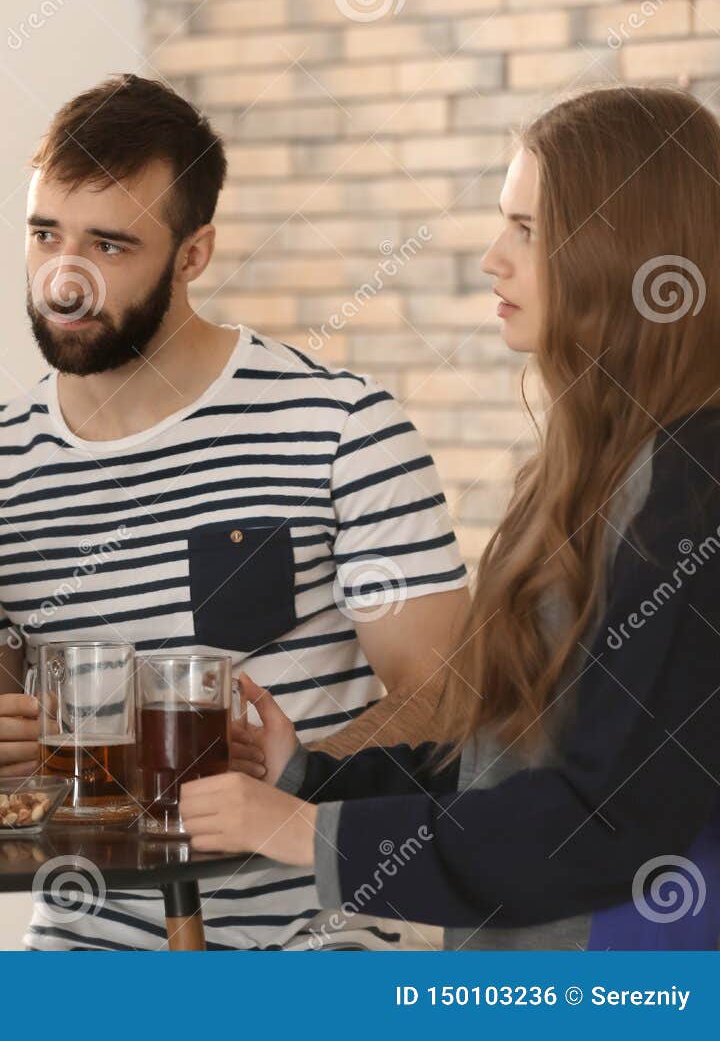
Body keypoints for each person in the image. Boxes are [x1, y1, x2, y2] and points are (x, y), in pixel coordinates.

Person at [0, 74, 471, 951]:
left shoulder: (340, 427)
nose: (66, 279)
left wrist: (302, 779)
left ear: (193, 253)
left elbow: (451, 693)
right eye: (44, 235)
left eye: (109, 245)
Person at [177, 84, 720, 951]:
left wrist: (296, 831)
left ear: (623, 254)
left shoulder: (692, 486)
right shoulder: (599, 470)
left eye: (528, 230)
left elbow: (609, 817)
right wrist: (306, 780)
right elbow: (511, 759)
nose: (491, 259)